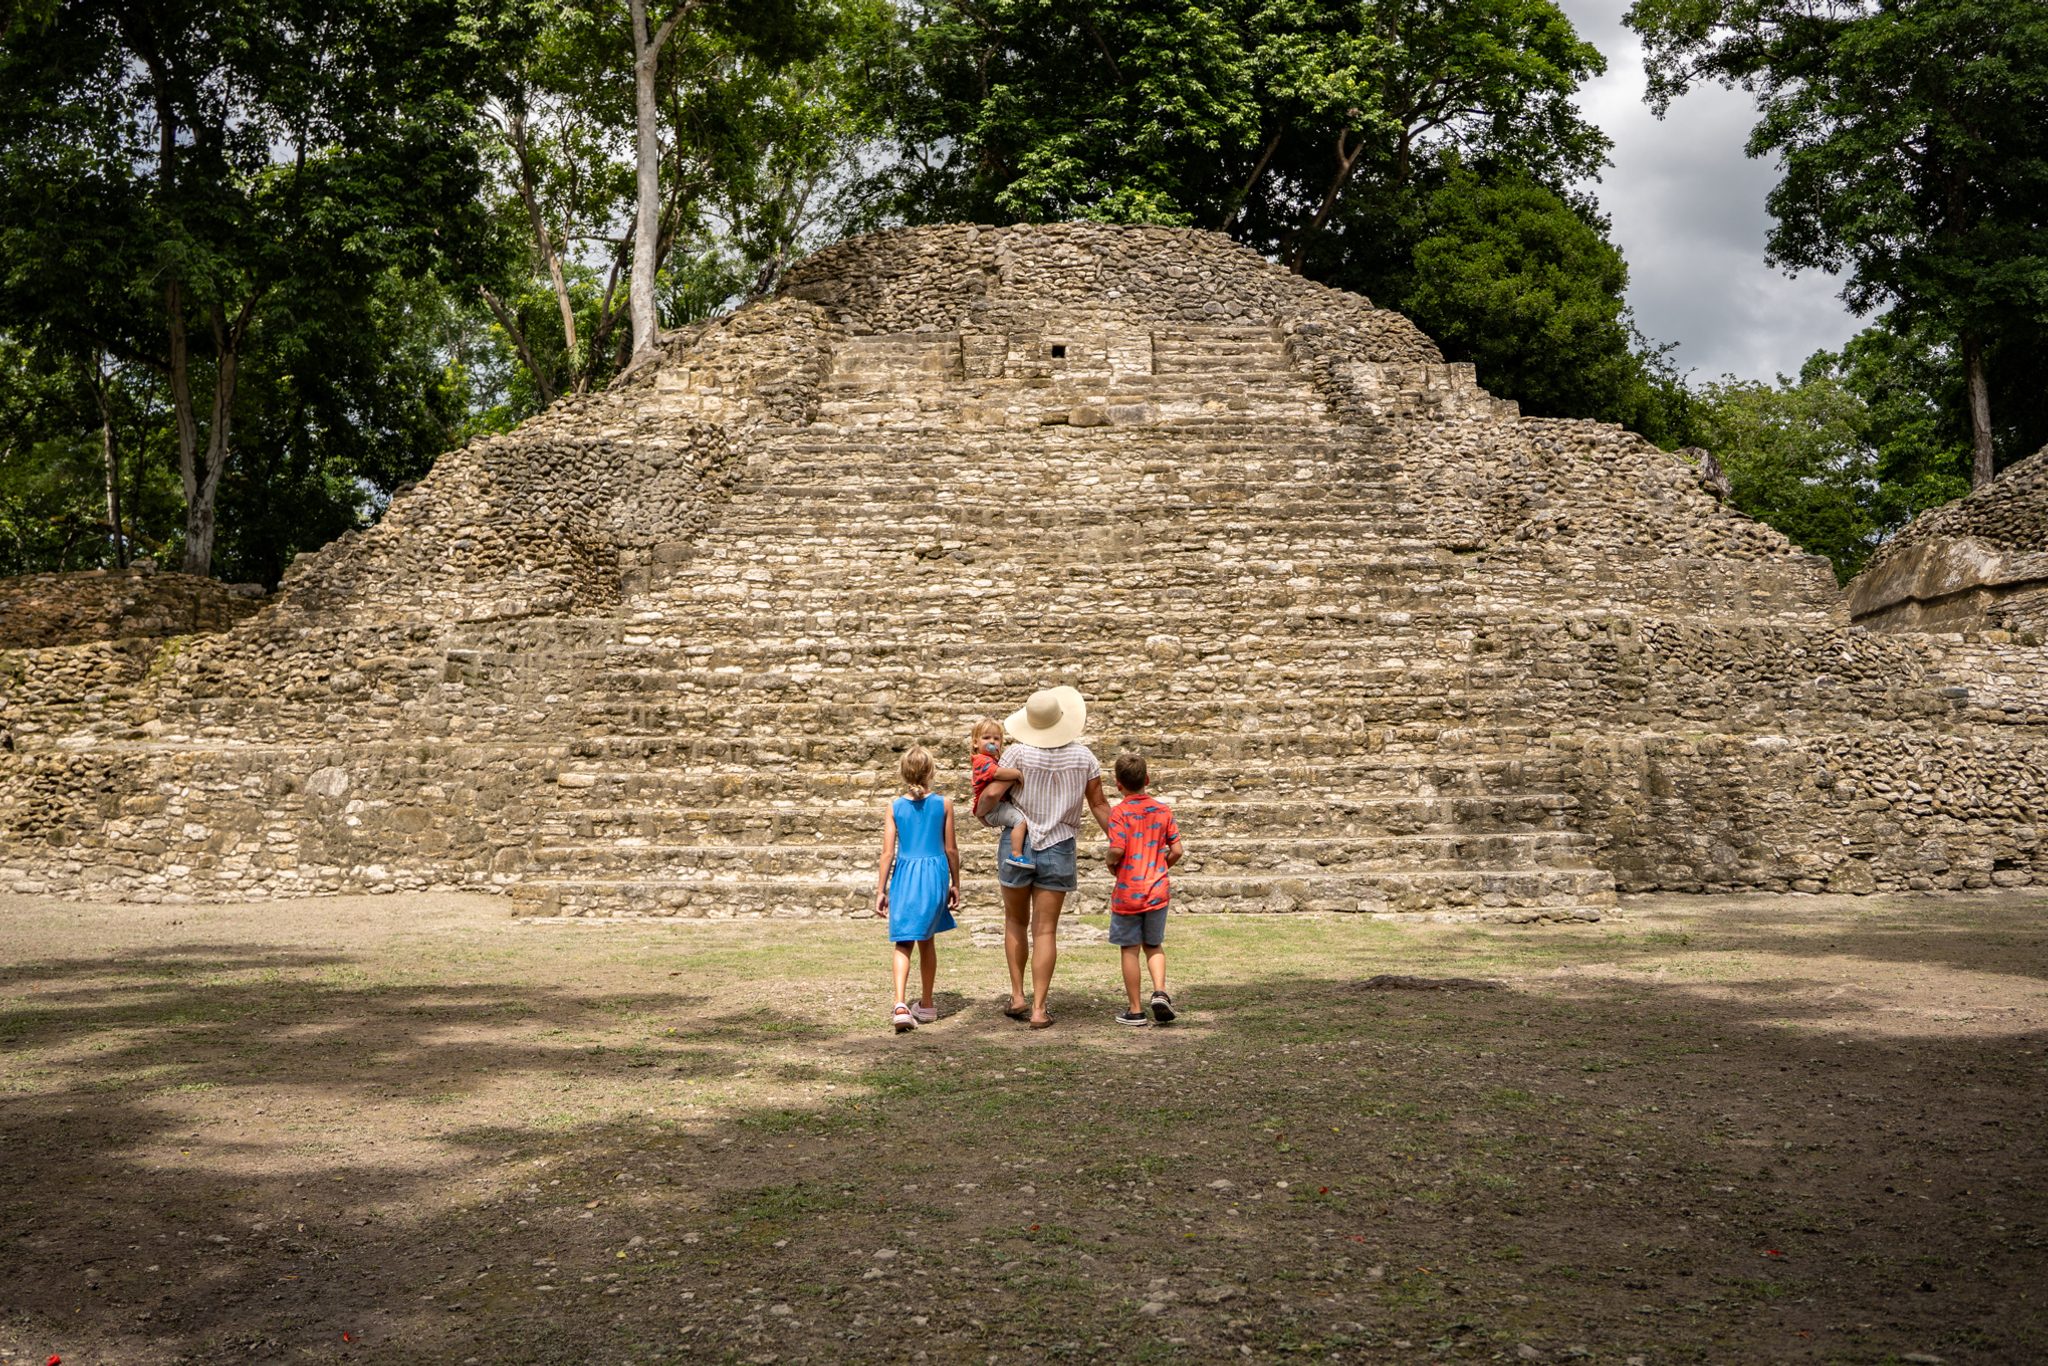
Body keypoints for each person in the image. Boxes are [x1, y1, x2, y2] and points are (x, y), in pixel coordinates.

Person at [975, 686, 1114, 1029]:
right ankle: (1039, 1008)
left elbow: (992, 792)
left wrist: (980, 812)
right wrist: (1122, 839)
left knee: (1015, 922)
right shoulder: (1084, 758)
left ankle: (1018, 995)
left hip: (1018, 844)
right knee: (1046, 931)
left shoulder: (1017, 754)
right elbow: (1099, 805)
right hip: (1059, 843)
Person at [873, 745, 959, 1032]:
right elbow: (951, 849)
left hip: (906, 874)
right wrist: (955, 883)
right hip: (935, 874)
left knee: (903, 942)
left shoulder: (895, 807)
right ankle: (927, 1003)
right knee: (928, 939)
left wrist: (880, 889)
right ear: (931, 772)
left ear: (902, 773)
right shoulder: (944, 804)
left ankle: (900, 1004)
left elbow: (887, 853)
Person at [1104, 752, 1185, 1026]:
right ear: (1147, 779)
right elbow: (1177, 849)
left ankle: (1135, 1009)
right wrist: (1162, 865)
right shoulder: (1163, 811)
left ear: (1118, 784)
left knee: (1129, 949)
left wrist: (1110, 861)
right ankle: (1160, 992)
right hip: (1157, 890)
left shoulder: (1119, 813)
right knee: (1154, 945)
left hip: (1128, 893)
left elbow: (1117, 848)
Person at [968, 717, 1033, 869]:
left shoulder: (990, 759)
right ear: (975, 743)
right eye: (986, 737)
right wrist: (1016, 773)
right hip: (993, 807)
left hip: (994, 807)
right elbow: (996, 773)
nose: (992, 741)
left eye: (996, 739)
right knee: (1020, 821)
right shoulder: (981, 760)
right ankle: (1016, 854)